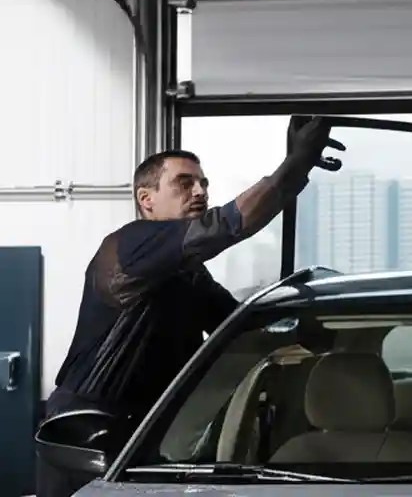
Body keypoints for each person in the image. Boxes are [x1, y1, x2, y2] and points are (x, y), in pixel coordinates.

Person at [35, 117, 337, 497]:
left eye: (203, 183)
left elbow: (237, 327)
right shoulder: (132, 244)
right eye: (184, 183)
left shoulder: (188, 274)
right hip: (86, 437)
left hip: (149, 434)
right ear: (147, 199)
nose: (199, 191)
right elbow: (227, 224)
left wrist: (307, 332)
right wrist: (296, 165)